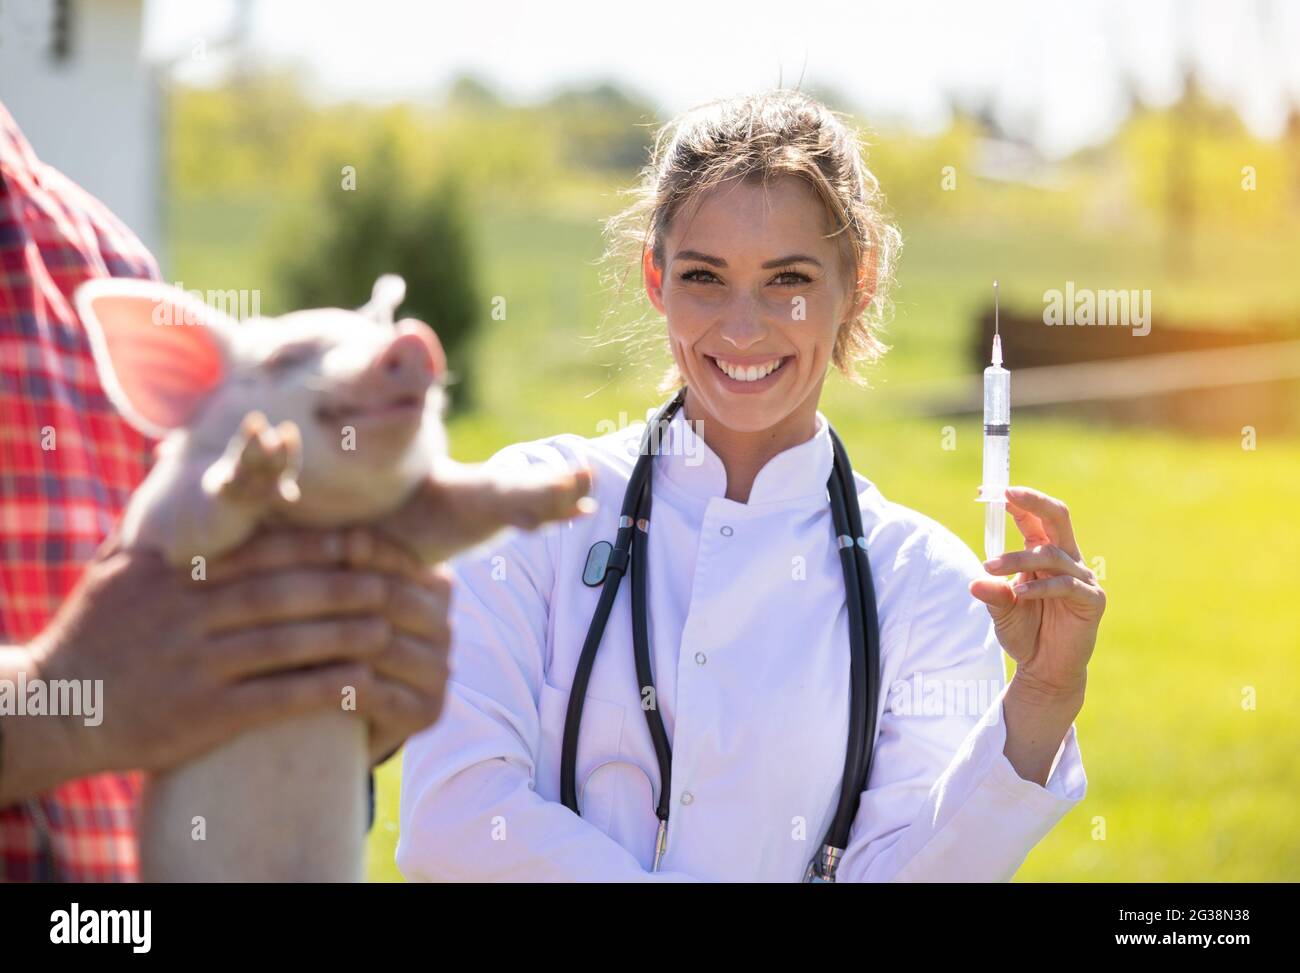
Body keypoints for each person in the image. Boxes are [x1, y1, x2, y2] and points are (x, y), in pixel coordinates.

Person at [397, 90, 1105, 882]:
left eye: (787, 280)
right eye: (705, 276)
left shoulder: (927, 583)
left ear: (858, 281)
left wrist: (1044, 696)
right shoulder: (527, 510)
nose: (741, 328)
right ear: (655, 276)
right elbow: (452, 817)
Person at [0, 99, 588, 881]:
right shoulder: (100, 274)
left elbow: (185, 640)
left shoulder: (94, 257)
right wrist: (58, 702)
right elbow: (131, 656)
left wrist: (338, 674)